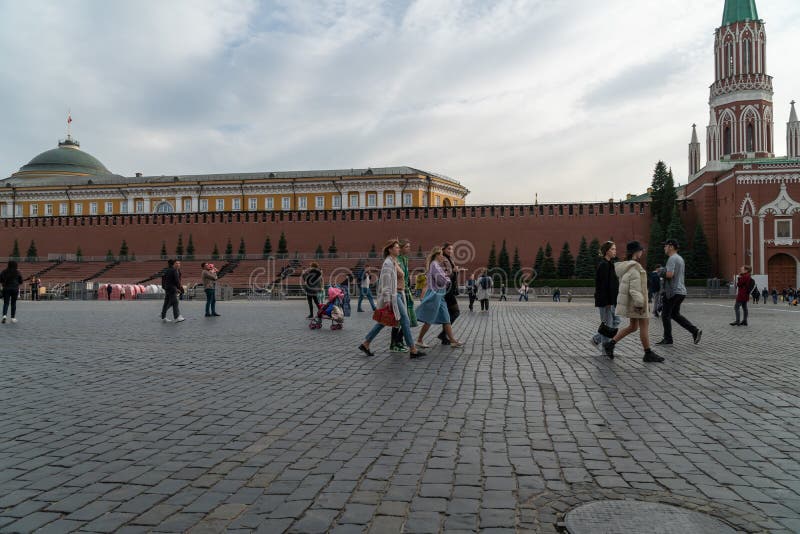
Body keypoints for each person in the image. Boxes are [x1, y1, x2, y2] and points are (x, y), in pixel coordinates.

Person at [358, 240, 426, 359]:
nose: (398, 249)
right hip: (393, 296)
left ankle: (366, 343)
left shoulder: (395, 261)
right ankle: (413, 349)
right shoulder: (388, 263)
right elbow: (385, 283)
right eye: (396, 247)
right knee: (405, 319)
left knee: (384, 321)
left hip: (398, 294)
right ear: (390, 249)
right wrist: (388, 300)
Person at [603, 241, 664, 362]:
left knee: (633, 327)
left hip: (633, 303)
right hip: (637, 303)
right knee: (644, 326)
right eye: (641, 250)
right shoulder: (634, 268)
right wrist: (640, 304)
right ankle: (648, 353)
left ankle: (610, 344)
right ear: (636, 252)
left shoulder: (627, 266)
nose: (642, 252)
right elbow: (635, 289)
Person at [415, 247, 463, 348]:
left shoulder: (436, 265)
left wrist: (446, 277)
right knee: (429, 318)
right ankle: (419, 340)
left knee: (446, 318)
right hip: (435, 294)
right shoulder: (434, 265)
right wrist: (448, 280)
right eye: (441, 254)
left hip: (440, 294)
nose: (442, 256)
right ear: (437, 255)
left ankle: (453, 340)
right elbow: (441, 280)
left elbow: (442, 277)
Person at [656, 239, 701, 346]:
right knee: (675, 314)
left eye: (665, 246)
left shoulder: (672, 258)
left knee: (665, 315)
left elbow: (670, 275)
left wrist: (660, 272)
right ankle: (694, 331)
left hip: (672, 291)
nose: (664, 248)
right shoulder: (680, 258)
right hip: (681, 291)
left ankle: (668, 339)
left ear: (671, 246)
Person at [591, 241, 620, 354]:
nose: (615, 251)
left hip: (612, 300)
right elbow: (602, 285)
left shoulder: (610, 264)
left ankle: (597, 339)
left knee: (616, 320)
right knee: (608, 325)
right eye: (613, 249)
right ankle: (605, 349)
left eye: (615, 249)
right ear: (607, 251)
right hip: (606, 301)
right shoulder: (603, 265)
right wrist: (607, 301)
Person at [389, 239, 417, 352]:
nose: (409, 249)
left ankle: (399, 341)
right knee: (401, 318)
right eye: (406, 247)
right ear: (400, 248)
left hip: (405, 290)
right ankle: (395, 342)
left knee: (406, 318)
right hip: (399, 291)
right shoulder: (397, 259)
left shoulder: (405, 259)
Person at [436, 242, 462, 346]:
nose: (450, 251)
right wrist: (454, 271)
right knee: (456, 312)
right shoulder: (443, 260)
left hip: (450, 289)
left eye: (451, 249)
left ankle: (444, 336)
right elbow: (442, 275)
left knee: (448, 314)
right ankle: (444, 334)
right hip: (447, 291)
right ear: (443, 249)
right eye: (448, 249)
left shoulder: (449, 259)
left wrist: (456, 271)